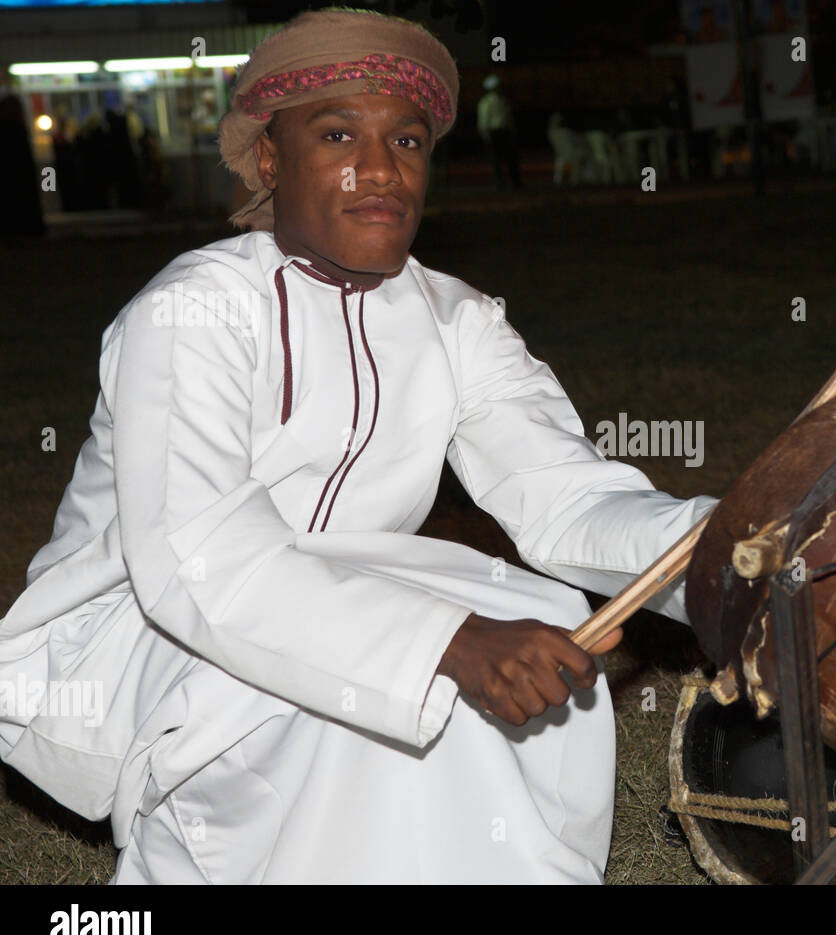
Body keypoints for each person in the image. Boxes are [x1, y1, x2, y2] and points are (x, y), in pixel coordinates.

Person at [0, 7, 715, 883]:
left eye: (407, 142)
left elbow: (566, 494)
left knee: (540, 637)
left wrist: (723, 549)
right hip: (141, 632)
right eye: (338, 134)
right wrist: (445, 643)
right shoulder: (193, 311)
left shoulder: (458, 320)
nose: (380, 169)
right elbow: (203, 563)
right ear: (270, 158)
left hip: (345, 598)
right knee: (369, 689)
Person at [476, 73, 523, 190]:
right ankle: (506, 183)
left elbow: (485, 120)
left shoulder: (497, 101)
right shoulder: (489, 102)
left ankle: (507, 183)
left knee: (503, 159)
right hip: (496, 133)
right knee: (502, 159)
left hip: (499, 132)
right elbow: (485, 120)